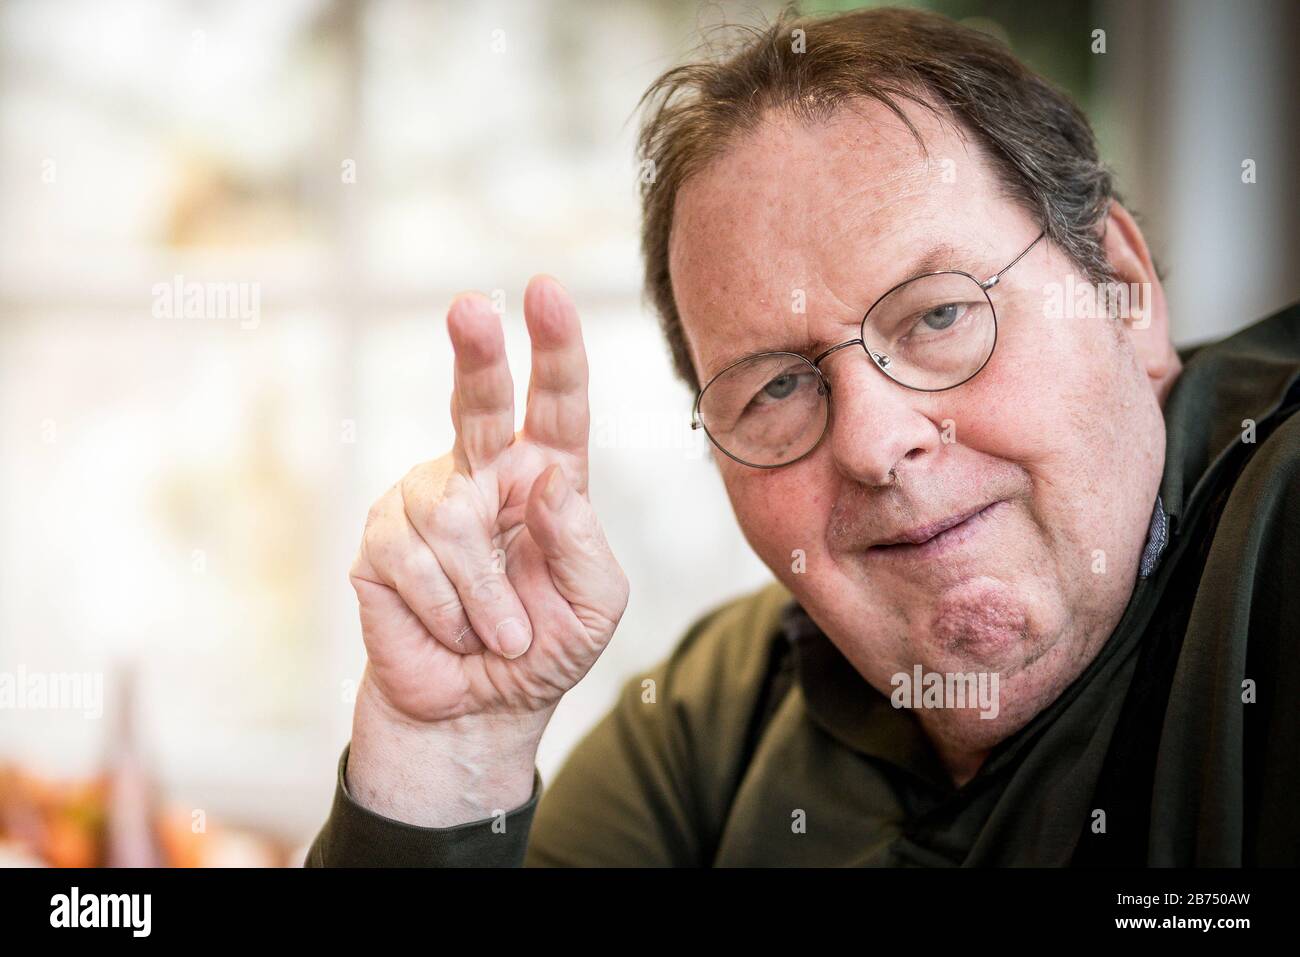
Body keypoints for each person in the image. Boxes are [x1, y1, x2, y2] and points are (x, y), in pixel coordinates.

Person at [305, 6, 1298, 866]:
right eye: (777, 384)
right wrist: (449, 759)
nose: (873, 443)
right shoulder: (716, 716)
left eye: (941, 317)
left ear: (1121, 290)